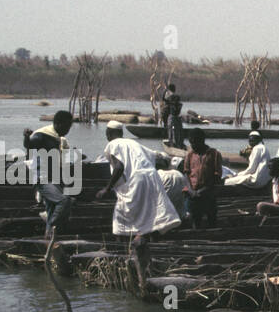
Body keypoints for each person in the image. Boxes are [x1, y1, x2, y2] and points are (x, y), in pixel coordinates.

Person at [95, 121, 182, 289]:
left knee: (122, 213)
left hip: (138, 180)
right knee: (148, 212)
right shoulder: (133, 143)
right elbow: (157, 157)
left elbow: (119, 167)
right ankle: (140, 240)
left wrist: (107, 188)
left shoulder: (112, 144)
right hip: (153, 177)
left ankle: (128, 249)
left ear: (108, 134)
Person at [24, 110, 75, 237]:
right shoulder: (42, 135)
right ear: (58, 124)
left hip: (53, 178)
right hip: (42, 178)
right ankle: (52, 225)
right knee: (64, 201)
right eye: (67, 127)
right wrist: (26, 136)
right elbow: (29, 146)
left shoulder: (56, 136)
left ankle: (48, 236)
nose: (68, 130)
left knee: (52, 209)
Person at [181, 129, 223, 229]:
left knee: (211, 220)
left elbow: (217, 176)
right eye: (191, 143)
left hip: (208, 194)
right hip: (192, 195)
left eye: (195, 143)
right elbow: (186, 174)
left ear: (202, 140)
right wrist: (191, 191)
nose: (192, 146)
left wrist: (203, 190)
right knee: (195, 221)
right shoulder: (190, 155)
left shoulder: (214, 154)